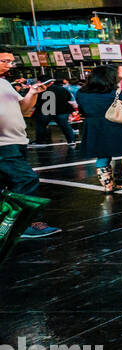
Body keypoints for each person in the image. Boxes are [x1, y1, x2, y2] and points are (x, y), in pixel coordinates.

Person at [0, 50, 60, 237]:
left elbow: (24, 110)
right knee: (26, 179)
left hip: (16, 140)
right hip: (3, 144)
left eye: (11, 62)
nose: (9, 65)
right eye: (4, 61)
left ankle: (10, 225)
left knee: (8, 184)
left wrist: (33, 93)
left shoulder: (4, 83)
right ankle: (26, 223)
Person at [76, 64, 122, 192]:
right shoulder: (119, 92)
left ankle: (108, 186)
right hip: (119, 126)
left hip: (94, 128)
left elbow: (82, 109)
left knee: (102, 156)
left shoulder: (82, 93)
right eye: (121, 71)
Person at [33, 73, 77, 148]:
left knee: (41, 126)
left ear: (40, 81)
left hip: (45, 110)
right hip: (62, 110)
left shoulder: (39, 90)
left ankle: (40, 141)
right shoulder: (62, 89)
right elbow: (69, 98)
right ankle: (71, 141)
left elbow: (35, 101)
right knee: (65, 126)